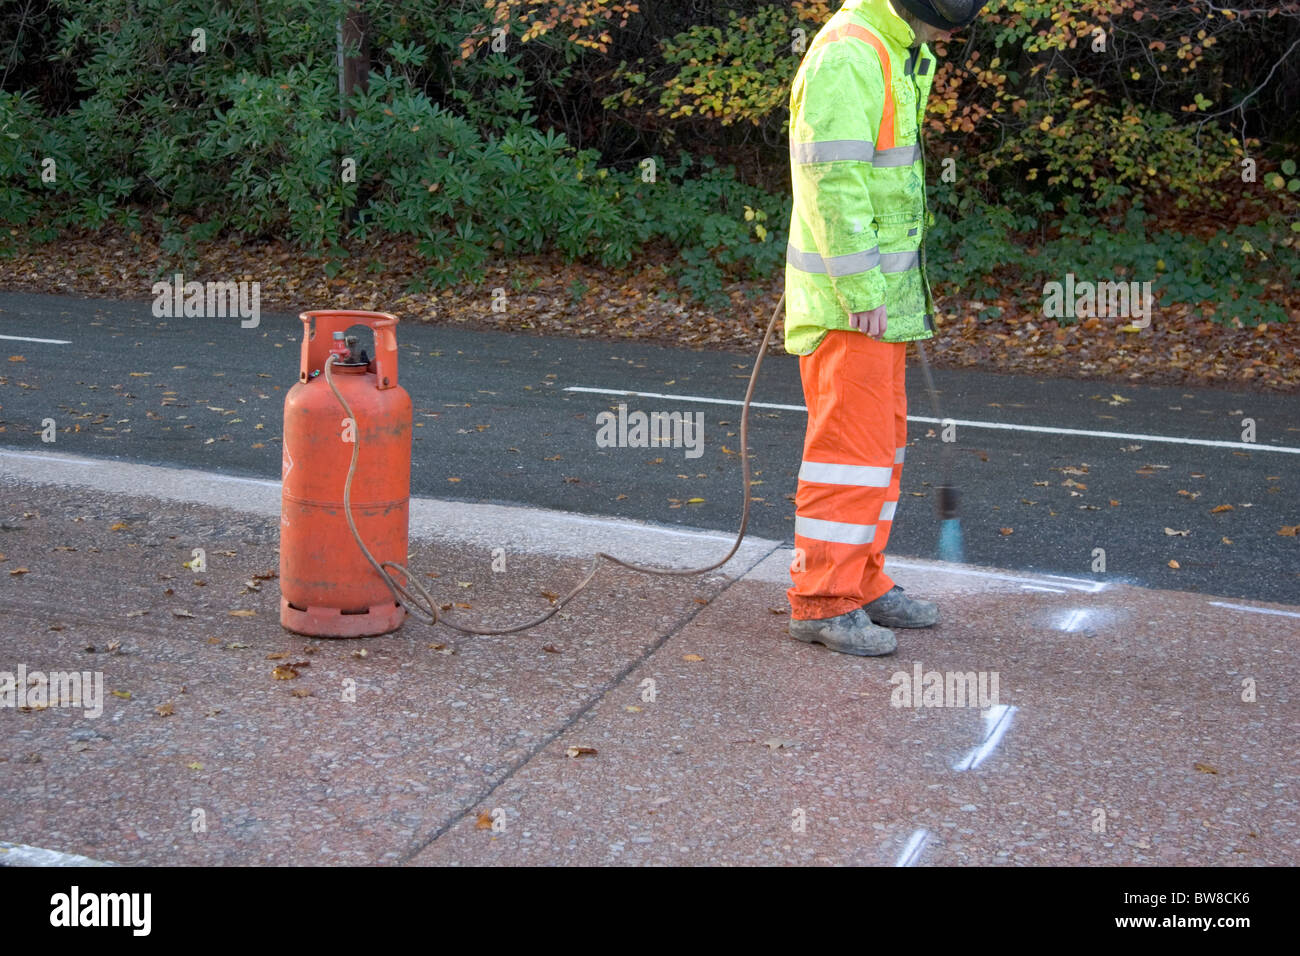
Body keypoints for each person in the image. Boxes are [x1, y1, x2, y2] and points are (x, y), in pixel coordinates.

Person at [784, 0, 987, 656]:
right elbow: (832, 181)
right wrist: (862, 285)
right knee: (849, 454)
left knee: (877, 453)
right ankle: (822, 600)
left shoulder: (891, 46)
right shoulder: (852, 52)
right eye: (946, 23)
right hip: (854, 305)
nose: (947, 36)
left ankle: (861, 582)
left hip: (877, 302)